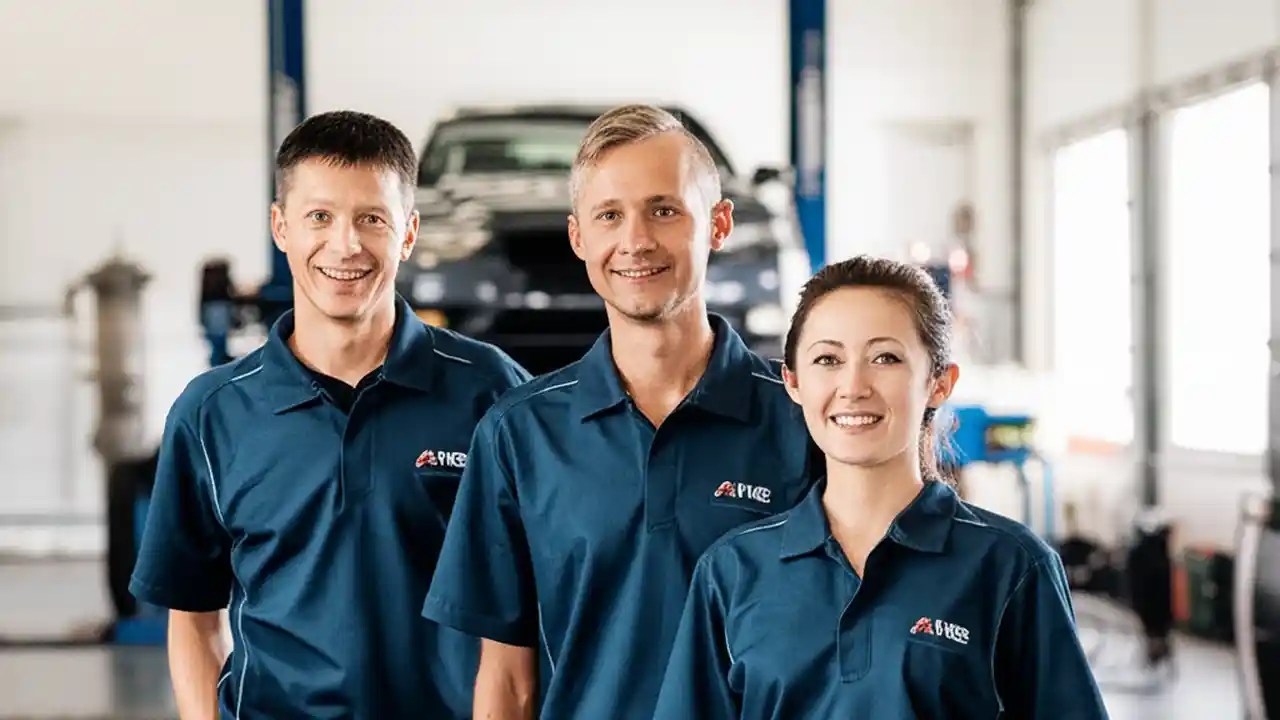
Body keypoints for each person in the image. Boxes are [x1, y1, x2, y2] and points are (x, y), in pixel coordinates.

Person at [129, 110, 529, 720]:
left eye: (372, 219)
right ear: (280, 226)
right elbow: (192, 615)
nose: (345, 245)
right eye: (320, 216)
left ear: (409, 232)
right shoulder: (212, 414)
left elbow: (532, 600)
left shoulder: (490, 391)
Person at [422, 104, 816, 719]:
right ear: (579, 236)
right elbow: (506, 681)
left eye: (664, 210)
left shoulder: (802, 422)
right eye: (610, 215)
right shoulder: (518, 435)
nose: (635, 241)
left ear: (718, 224)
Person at [653, 255, 1110, 719]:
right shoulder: (732, 571)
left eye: (885, 358)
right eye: (828, 359)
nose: (853, 386)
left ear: (939, 383)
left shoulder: (1010, 567)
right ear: (791, 381)